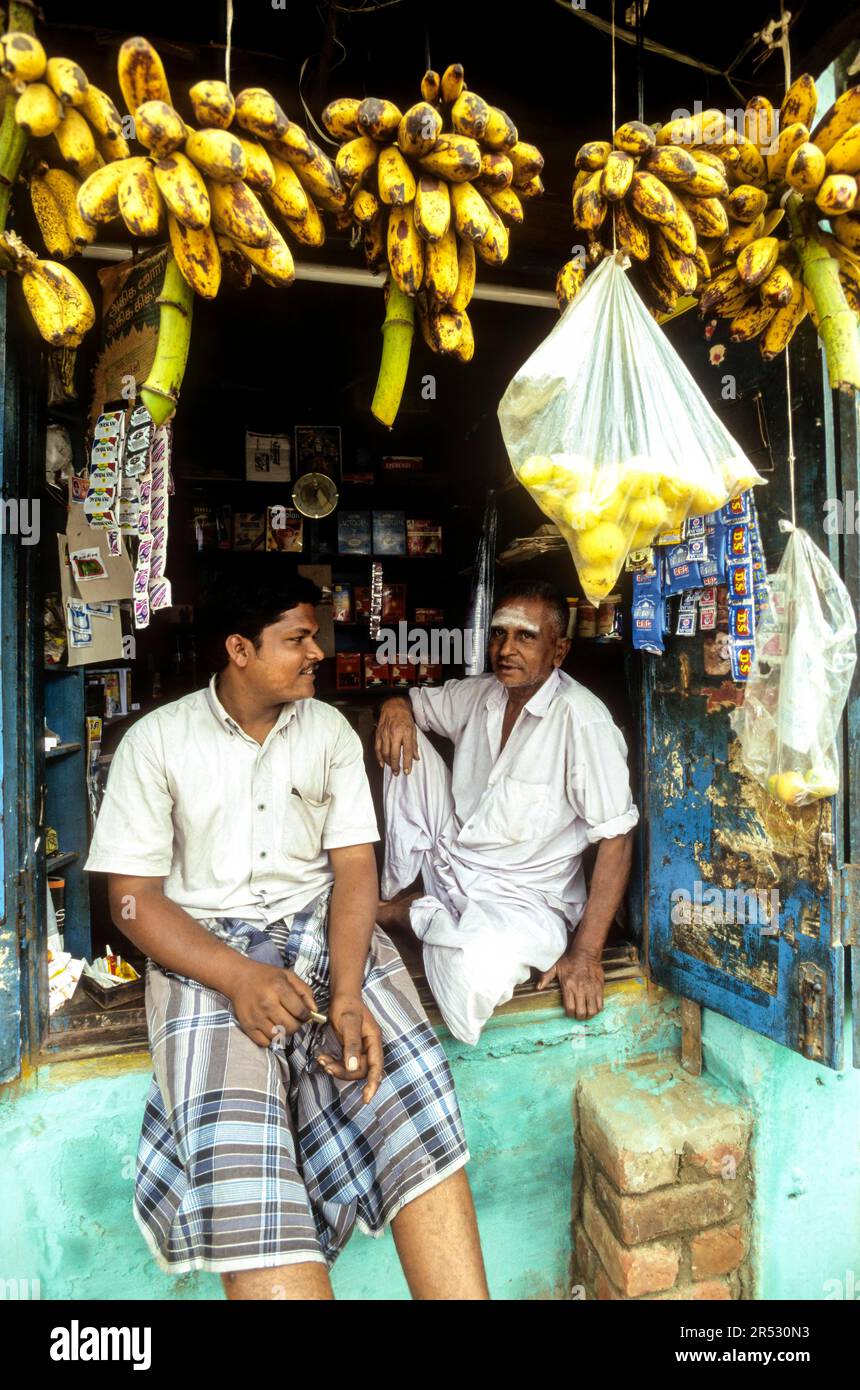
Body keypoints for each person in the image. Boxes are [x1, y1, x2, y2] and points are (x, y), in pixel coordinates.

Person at [85, 573, 488, 1301]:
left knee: (408, 1100)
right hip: (204, 950)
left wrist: (346, 993)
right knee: (243, 1162)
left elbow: (356, 868)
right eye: (298, 638)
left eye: (316, 636)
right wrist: (238, 977)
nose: (318, 653)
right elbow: (132, 904)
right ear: (240, 649)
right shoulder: (156, 742)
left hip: (322, 926)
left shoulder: (330, 731)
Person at [376, 580, 639, 1046]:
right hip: (453, 860)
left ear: (558, 652)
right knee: (400, 743)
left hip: (524, 902)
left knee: (469, 985)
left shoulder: (583, 719)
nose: (506, 649)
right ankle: (412, 898)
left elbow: (616, 838)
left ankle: (410, 913)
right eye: (499, 634)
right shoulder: (480, 695)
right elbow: (410, 701)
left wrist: (586, 954)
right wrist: (394, 708)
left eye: (525, 637)